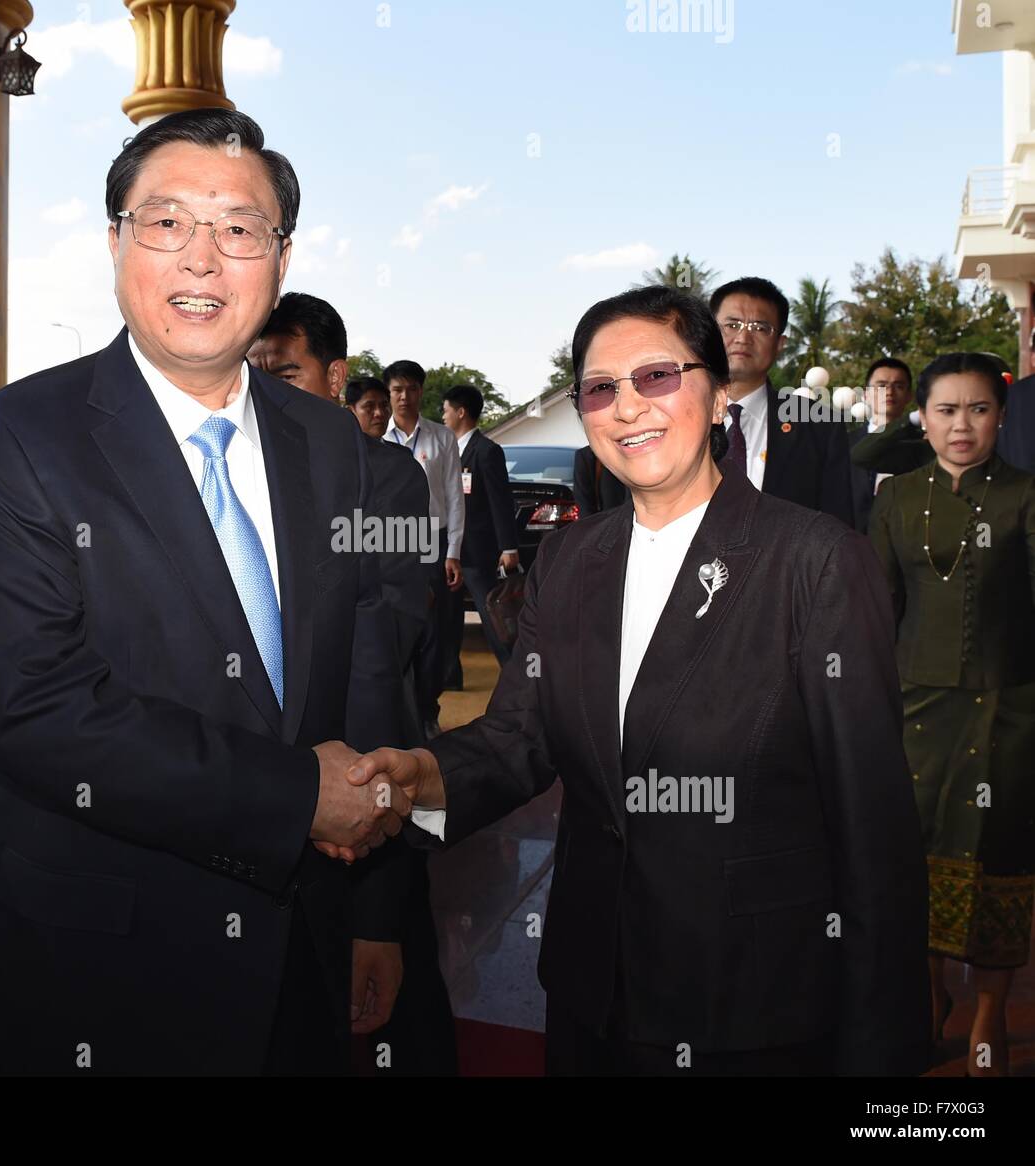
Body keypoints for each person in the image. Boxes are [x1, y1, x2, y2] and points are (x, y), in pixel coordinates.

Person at [349, 286, 930, 1076]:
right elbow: (522, 734)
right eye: (599, 388)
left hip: (750, 1006)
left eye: (656, 376)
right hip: (593, 989)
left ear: (719, 394)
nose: (626, 407)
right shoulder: (571, 561)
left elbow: (875, 835)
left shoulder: (816, 563)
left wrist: (881, 1056)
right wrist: (421, 774)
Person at [0, 108, 413, 1076]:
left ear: (279, 260)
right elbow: (34, 708)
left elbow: (367, 672)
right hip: (102, 964)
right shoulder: (17, 436)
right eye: (166, 221)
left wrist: (376, 906)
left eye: (239, 228)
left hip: (303, 946)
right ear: (115, 240)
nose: (203, 257)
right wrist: (296, 796)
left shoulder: (332, 447)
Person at [252, 297, 458, 1073]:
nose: (264, 387)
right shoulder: (241, 472)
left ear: (334, 376)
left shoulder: (386, 477)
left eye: (285, 372)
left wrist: (379, 907)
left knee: (390, 1020)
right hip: (263, 818)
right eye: (255, 371)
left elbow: (377, 666)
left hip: (365, 804)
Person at [867, 352, 1035, 1077]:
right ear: (922, 418)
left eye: (978, 409)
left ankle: (990, 1013)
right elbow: (876, 613)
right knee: (918, 861)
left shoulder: (1028, 495)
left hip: (1010, 714)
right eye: (945, 409)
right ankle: (929, 997)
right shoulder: (896, 498)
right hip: (912, 715)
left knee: (1000, 862)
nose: (962, 424)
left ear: (999, 416)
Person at [709, 277, 855, 525]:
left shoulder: (820, 426)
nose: (744, 337)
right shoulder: (672, 414)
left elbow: (837, 526)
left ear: (780, 344)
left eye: (760, 328)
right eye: (732, 325)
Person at [383, 360, 464, 738]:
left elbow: (453, 495)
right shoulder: (375, 435)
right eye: (397, 389)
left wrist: (454, 551)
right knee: (394, 627)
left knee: (433, 631)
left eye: (411, 388)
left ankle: (428, 710)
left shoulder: (441, 438)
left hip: (432, 539)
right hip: (388, 539)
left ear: (421, 392)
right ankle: (398, 711)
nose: (403, 396)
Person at [440, 384, 520, 676]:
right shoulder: (449, 451)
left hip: (477, 552)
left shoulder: (486, 451)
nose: (443, 416)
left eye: (446, 410)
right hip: (450, 551)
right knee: (448, 619)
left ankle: (514, 677)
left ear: (461, 412)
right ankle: (450, 677)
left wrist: (508, 547)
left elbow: (500, 501)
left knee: (493, 617)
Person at [850, 358, 913, 533]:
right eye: (881, 386)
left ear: (910, 396)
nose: (889, 392)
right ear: (866, 395)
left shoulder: (922, 445)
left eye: (899, 386)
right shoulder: (844, 444)